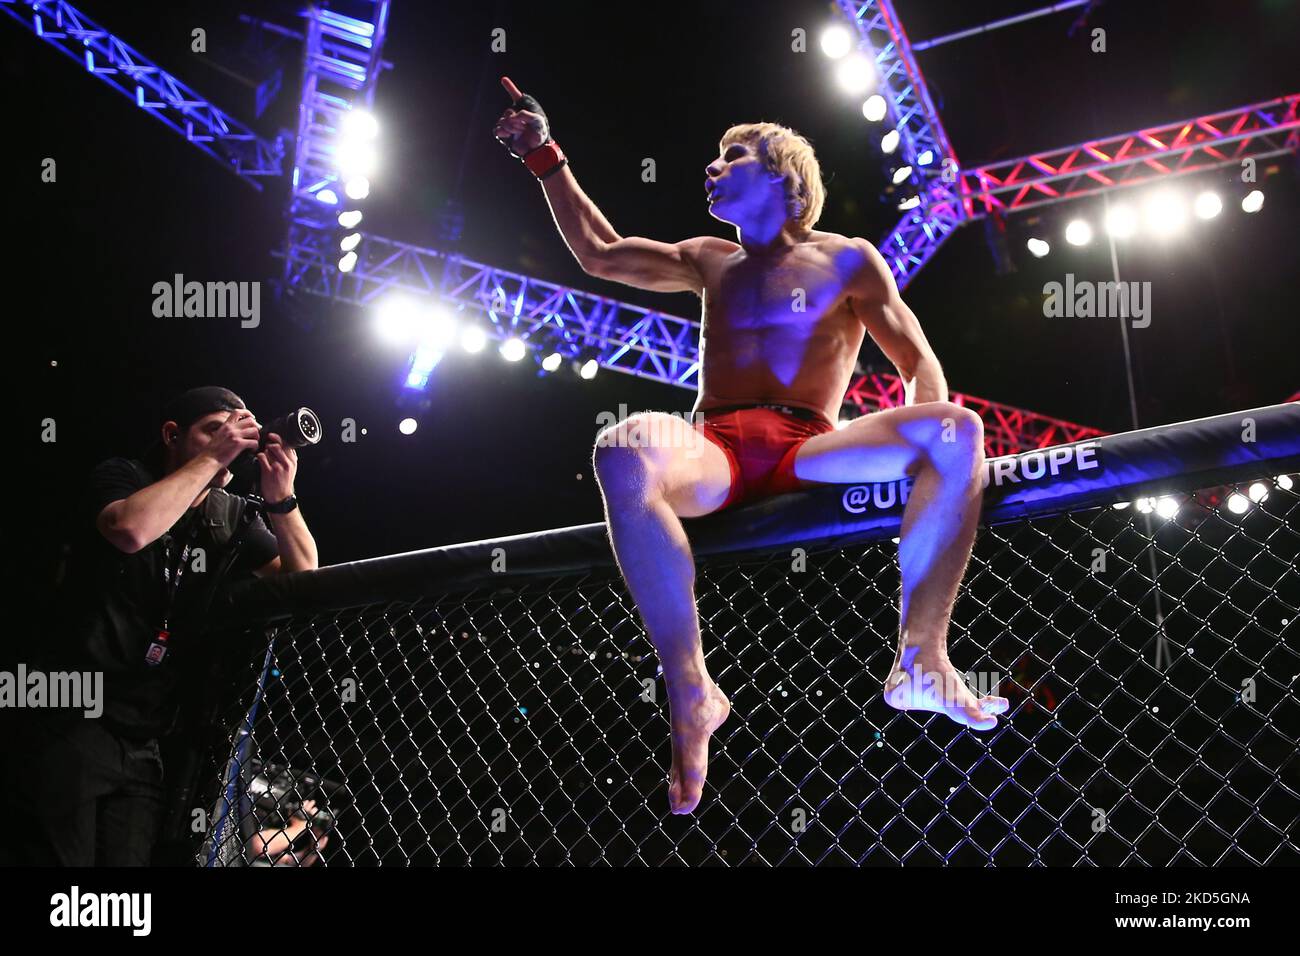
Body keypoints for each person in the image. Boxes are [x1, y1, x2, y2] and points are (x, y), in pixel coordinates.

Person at [495, 78, 1009, 816]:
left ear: (784, 178)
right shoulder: (710, 259)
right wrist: (544, 155)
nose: (712, 166)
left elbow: (917, 362)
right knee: (622, 448)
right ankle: (690, 686)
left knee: (957, 427)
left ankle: (922, 656)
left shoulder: (849, 259)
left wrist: (916, 450)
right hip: (718, 447)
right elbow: (600, 254)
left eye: (732, 156)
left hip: (810, 445)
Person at [1, 387, 320, 865]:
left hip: (144, 736)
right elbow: (130, 530)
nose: (232, 438)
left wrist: (282, 500)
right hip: (69, 716)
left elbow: (304, 583)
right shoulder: (124, 476)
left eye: (238, 429)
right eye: (215, 428)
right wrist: (215, 458)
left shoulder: (225, 515)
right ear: (172, 435)